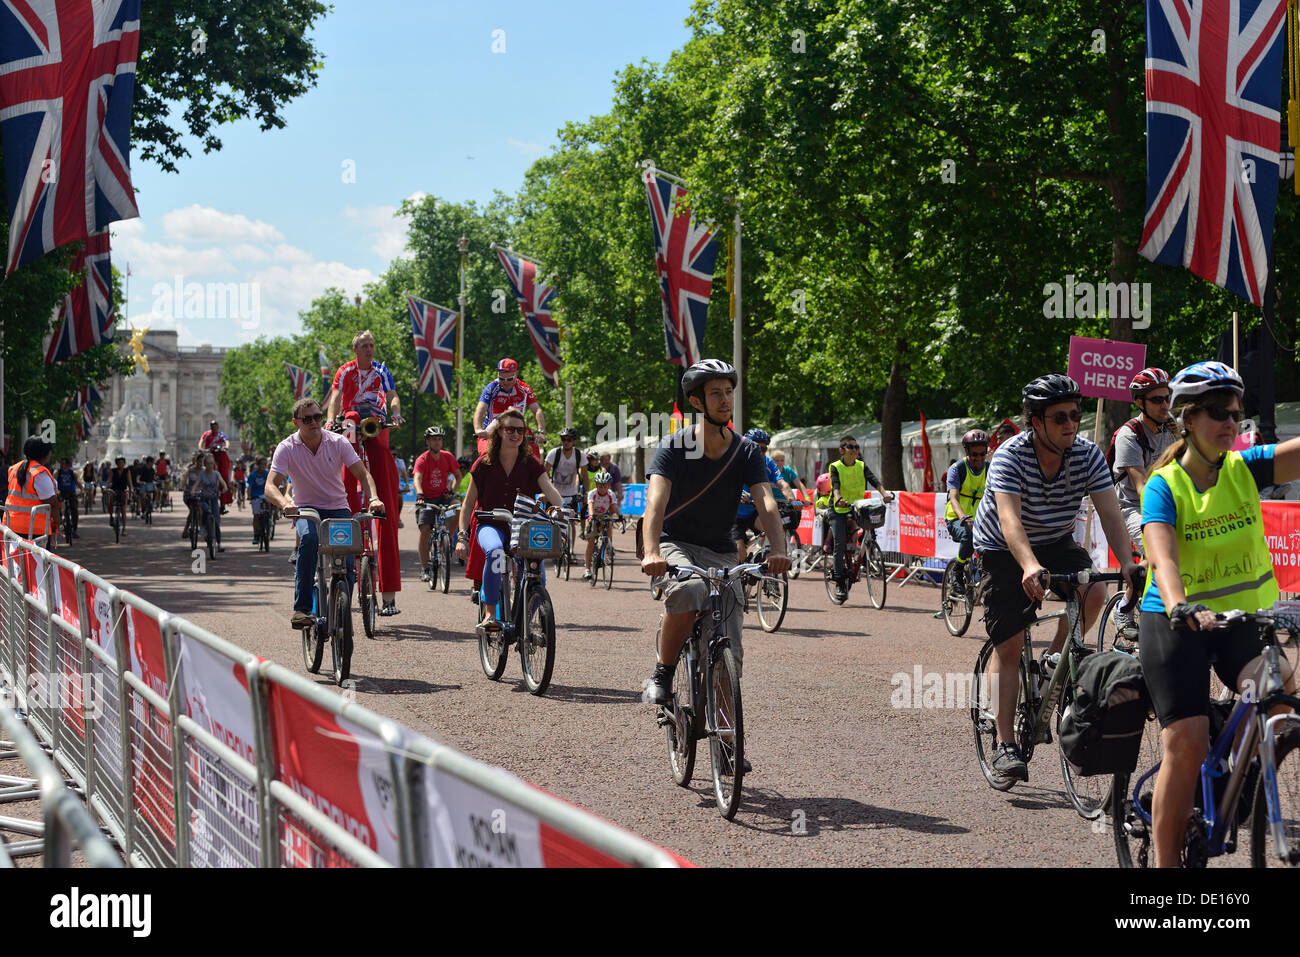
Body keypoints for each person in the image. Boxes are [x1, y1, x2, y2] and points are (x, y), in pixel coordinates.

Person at [1136, 361, 1300, 867]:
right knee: (1186, 742)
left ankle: (1226, 776)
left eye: (1235, 412)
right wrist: (1180, 603)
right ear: (1186, 418)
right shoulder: (1164, 485)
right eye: (1215, 413)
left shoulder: (1245, 468)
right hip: (1174, 622)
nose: (1229, 422)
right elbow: (1162, 556)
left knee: (1281, 701)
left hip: (1239, 622)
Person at [971, 373, 1139, 784]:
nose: (1070, 424)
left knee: (1094, 589)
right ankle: (1006, 743)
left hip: (1055, 539)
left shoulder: (1087, 455)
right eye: (1059, 417)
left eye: (1075, 415)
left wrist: (1131, 563)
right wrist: (1028, 565)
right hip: (1003, 546)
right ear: (1036, 421)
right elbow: (1009, 520)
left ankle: (1053, 661)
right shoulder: (1010, 456)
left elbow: (1110, 513)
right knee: (1009, 643)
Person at [640, 360, 791, 735]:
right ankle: (664, 670)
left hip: (722, 550)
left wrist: (778, 548)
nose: (725, 400)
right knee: (690, 591)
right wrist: (651, 552)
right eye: (715, 394)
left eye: (728, 392)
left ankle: (726, 735)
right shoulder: (674, 447)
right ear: (696, 401)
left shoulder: (746, 452)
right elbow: (655, 504)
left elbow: (766, 503)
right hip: (677, 545)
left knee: (730, 650)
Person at [264, 398, 385, 629]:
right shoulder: (287, 447)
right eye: (307, 419)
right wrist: (284, 504)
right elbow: (270, 486)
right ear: (296, 422)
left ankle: (341, 610)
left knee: (347, 562)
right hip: (306, 508)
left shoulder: (337, 442)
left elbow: (363, 474)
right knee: (308, 541)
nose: (314, 422)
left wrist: (374, 498)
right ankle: (301, 609)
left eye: (317, 417)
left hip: (338, 507)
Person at [454, 409, 565, 633]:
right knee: (495, 552)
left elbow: (553, 495)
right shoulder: (483, 464)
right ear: (499, 433)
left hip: (522, 528)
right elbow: (467, 505)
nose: (515, 434)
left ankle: (523, 621)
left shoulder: (531, 463)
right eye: (510, 429)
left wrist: (558, 507)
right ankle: (490, 614)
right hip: (490, 525)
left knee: (537, 575)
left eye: (520, 430)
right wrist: (462, 536)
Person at [325, 329, 405, 616]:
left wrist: (395, 413)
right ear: (355, 349)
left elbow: (392, 396)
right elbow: (335, 398)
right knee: (351, 420)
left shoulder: (381, 370)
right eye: (365, 346)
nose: (370, 349)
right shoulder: (345, 371)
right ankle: (345, 499)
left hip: (375, 420)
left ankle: (390, 595)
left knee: (380, 449)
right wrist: (332, 420)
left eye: (372, 345)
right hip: (350, 421)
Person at [1109, 367, 1177, 639]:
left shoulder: (1171, 429)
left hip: (1164, 504)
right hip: (1132, 507)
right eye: (1157, 400)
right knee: (1158, 551)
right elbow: (1142, 487)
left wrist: (1183, 436)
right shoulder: (1129, 435)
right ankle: (1124, 609)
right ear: (1140, 402)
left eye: (1167, 398)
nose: (1165, 405)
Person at [828, 434, 894, 601]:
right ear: (842, 450)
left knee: (870, 532)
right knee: (840, 543)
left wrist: (885, 494)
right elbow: (835, 485)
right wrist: (838, 499)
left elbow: (874, 480)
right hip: (839, 508)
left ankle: (864, 559)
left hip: (858, 507)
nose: (855, 451)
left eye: (857, 447)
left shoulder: (861, 465)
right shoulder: (835, 466)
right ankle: (840, 583)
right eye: (851, 447)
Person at [733, 428, 793, 564]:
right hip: (735, 514)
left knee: (772, 526)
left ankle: (764, 557)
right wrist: (739, 493)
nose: (760, 452)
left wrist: (792, 499)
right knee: (740, 553)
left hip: (754, 511)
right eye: (756, 447)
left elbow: (782, 483)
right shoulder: (736, 461)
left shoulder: (768, 463)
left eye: (764, 449)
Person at [943, 430, 990, 596]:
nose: (978, 458)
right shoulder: (957, 469)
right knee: (969, 533)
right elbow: (954, 498)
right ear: (966, 452)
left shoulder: (990, 470)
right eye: (974, 454)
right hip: (956, 518)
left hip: (980, 521)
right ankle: (958, 569)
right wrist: (963, 517)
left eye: (982, 454)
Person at [473, 358, 545, 462]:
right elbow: (480, 409)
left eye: (509, 379)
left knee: (534, 456)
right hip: (493, 429)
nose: (505, 383)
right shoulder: (492, 388)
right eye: (502, 379)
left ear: (516, 374)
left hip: (516, 429)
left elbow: (537, 410)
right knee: (485, 456)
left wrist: (541, 432)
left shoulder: (524, 389)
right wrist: (478, 429)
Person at [414, 426, 461, 580]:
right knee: (425, 530)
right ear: (428, 441)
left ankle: (449, 537)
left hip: (443, 497)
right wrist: (420, 494)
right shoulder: (422, 459)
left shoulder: (448, 457)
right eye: (434, 439)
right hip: (426, 499)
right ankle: (424, 568)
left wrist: (451, 490)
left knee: (457, 506)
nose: (437, 442)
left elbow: (458, 476)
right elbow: (417, 478)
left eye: (439, 439)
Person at [3, 438, 59, 541]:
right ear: (44, 454)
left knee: (15, 557)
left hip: (11, 526)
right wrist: (58, 522)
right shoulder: (40, 473)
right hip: (33, 530)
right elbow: (52, 502)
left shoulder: (13, 468)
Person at [583, 471, 621, 579]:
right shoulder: (592, 493)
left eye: (605, 486)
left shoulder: (611, 494)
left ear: (608, 485)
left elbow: (614, 506)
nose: (602, 488)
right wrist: (591, 516)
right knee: (590, 542)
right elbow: (590, 505)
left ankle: (607, 545)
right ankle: (587, 569)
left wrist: (621, 516)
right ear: (596, 485)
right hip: (592, 515)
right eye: (600, 486)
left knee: (609, 523)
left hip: (604, 515)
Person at [545, 426, 587, 518]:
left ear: (574, 441)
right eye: (563, 439)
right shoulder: (554, 453)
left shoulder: (580, 455)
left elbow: (585, 476)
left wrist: (586, 493)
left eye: (569, 440)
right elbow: (545, 473)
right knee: (549, 521)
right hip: (554, 494)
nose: (566, 442)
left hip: (572, 496)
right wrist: (545, 491)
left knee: (571, 522)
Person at [199, 420, 233, 510]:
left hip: (220, 455)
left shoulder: (221, 435)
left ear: (218, 427)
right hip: (210, 454)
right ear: (210, 427)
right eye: (212, 426)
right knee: (205, 468)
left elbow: (227, 441)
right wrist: (201, 448)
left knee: (224, 477)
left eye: (215, 426)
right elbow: (201, 442)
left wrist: (226, 447)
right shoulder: (206, 434)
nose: (214, 428)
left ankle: (223, 504)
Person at [53, 456, 82, 538]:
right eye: (62, 463)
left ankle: (75, 530)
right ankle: (61, 523)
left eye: (65, 463)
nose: (63, 465)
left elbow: (78, 482)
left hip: (71, 492)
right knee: (58, 508)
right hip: (61, 492)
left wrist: (82, 489)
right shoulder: (57, 472)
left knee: (74, 510)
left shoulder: (73, 473)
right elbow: (53, 483)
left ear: (68, 464)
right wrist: (56, 491)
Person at [106, 456, 134, 532]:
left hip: (123, 490)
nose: (120, 464)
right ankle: (111, 516)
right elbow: (108, 480)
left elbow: (130, 482)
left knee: (123, 510)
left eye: (122, 463)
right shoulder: (113, 471)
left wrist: (131, 490)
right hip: (114, 490)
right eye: (119, 463)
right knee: (109, 502)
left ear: (124, 463)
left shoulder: (127, 471)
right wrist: (106, 488)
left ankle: (124, 528)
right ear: (116, 464)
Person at [248, 456, 270, 544]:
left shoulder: (267, 474)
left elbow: (270, 485)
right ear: (258, 465)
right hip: (255, 496)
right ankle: (256, 535)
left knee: (269, 503)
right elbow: (249, 487)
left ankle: (269, 518)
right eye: (262, 464)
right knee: (256, 516)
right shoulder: (252, 475)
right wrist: (249, 496)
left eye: (265, 464)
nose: (263, 466)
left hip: (265, 494)